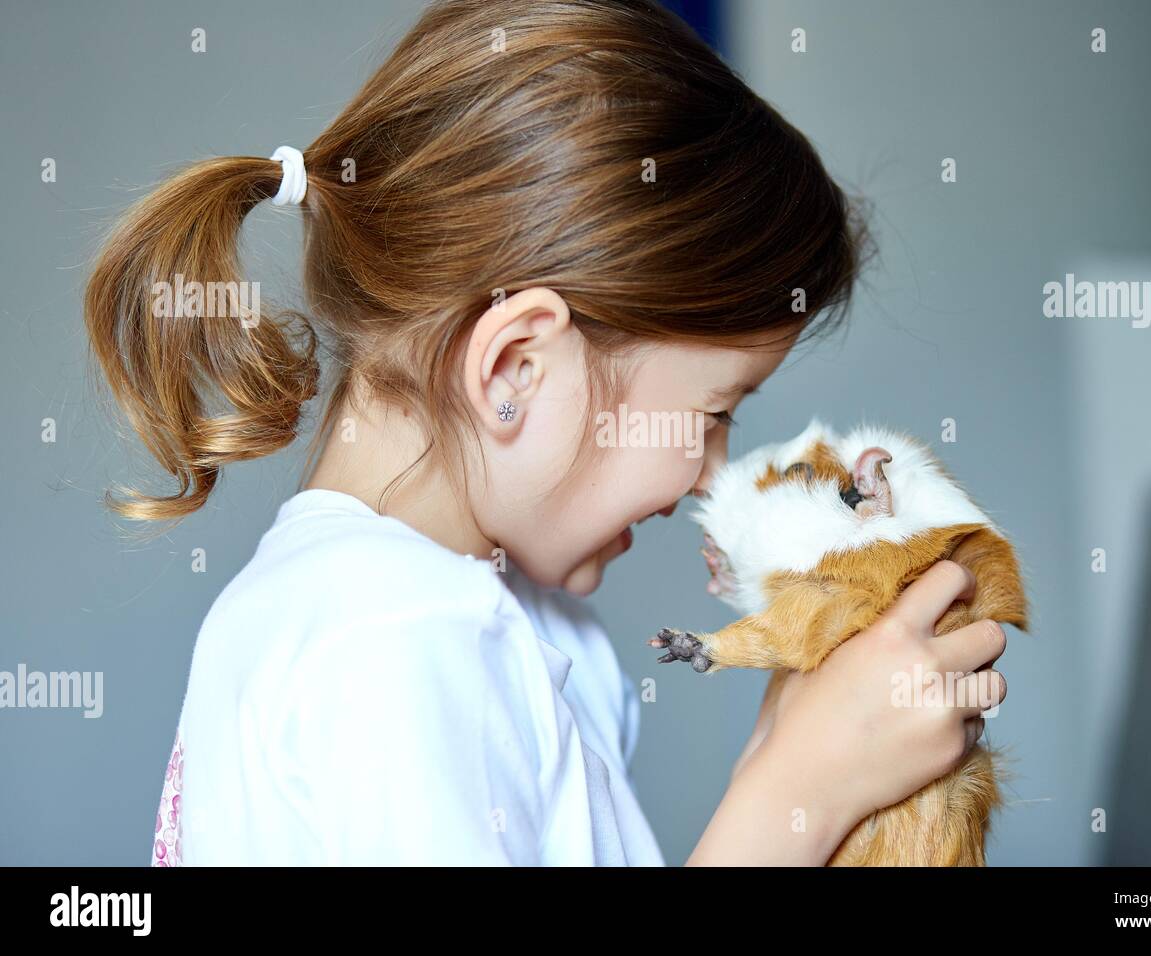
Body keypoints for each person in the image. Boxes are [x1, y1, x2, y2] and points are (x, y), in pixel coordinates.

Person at [85, 0, 1007, 866]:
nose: (710, 476)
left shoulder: (439, 618)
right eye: (717, 410)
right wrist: (794, 794)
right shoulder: (397, 640)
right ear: (515, 368)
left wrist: (796, 746)